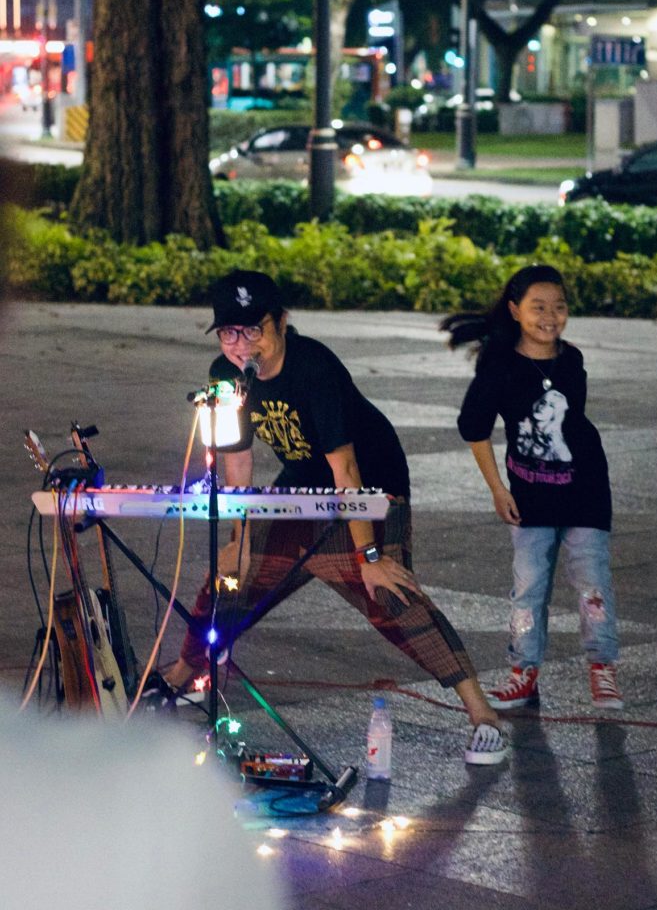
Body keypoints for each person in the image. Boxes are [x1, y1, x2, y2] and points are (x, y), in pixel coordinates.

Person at [155, 269, 507, 764]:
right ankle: (180, 678)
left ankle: (483, 715)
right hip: (302, 484)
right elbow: (238, 461)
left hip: (374, 485)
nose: (241, 345)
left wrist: (368, 555)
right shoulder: (226, 375)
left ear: (280, 323)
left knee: (387, 592)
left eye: (253, 329)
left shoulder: (313, 367)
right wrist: (242, 540)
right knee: (228, 582)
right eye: (229, 333)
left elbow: (347, 469)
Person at [440, 264, 623, 711]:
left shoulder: (572, 359)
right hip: (529, 497)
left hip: (585, 492)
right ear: (515, 311)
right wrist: (497, 490)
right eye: (538, 307)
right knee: (529, 589)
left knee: (592, 581)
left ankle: (603, 670)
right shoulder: (499, 365)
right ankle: (524, 674)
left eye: (559, 307)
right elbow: (474, 428)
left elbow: (572, 426)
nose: (550, 316)